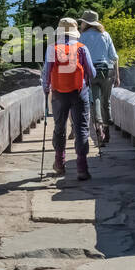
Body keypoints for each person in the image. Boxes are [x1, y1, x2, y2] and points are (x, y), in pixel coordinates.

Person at [40, 17, 96, 180]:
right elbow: (92, 73)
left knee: (59, 126)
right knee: (81, 128)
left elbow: (46, 72)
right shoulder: (81, 48)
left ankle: (59, 163)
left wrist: (46, 89)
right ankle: (82, 168)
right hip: (80, 92)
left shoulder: (52, 49)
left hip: (58, 93)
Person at [78, 9, 119, 146]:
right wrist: (117, 76)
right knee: (106, 102)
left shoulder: (82, 36)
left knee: (95, 101)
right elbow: (114, 57)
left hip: (92, 72)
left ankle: (99, 128)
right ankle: (107, 127)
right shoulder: (105, 35)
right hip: (107, 71)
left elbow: (80, 58)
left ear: (86, 23)